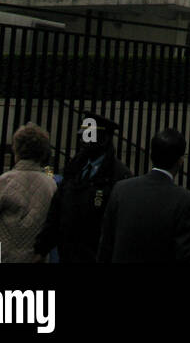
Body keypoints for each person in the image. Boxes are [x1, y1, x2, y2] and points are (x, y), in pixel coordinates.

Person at [34, 113, 132, 263]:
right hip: (68, 254)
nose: (84, 141)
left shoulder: (119, 175)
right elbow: (57, 211)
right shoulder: (74, 169)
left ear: (104, 138)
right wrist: (42, 247)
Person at [97, 128, 190, 262]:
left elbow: (106, 246)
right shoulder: (186, 200)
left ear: (152, 156)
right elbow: (185, 255)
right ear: (180, 161)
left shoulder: (121, 189)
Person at [0, 123, 57, 263]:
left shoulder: (7, 180)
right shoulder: (51, 184)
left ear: (17, 150)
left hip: (3, 255)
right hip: (34, 258)